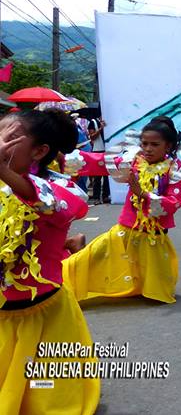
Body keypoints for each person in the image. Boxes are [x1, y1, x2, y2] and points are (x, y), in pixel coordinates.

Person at [0, 110, 99, 415]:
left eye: (9, 136)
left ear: (40, 151)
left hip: (44, 316)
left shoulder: (65, 190)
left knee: (47, 401)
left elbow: (49, 205)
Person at [61, 116, 181, 304]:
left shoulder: (174, 170)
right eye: (144, 143)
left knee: (159, 291)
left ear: (168, 146)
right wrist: (63, 159)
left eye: (154, 144)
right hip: (126, 229)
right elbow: (101, 162)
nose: (147, 149)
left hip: (154, 234)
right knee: (91, 258)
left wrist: (143, 194)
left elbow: (175, 201)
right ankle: (58, 279)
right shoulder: (133, 161)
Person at [87, 116, 110, 205]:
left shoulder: (109, 121)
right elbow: (92, 137)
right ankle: (96, 197)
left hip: (107, 151)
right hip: (97, 151)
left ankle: (106, 196)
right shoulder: (93, 122)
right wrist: (101, 128)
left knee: (107, 176)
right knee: (97, 176)